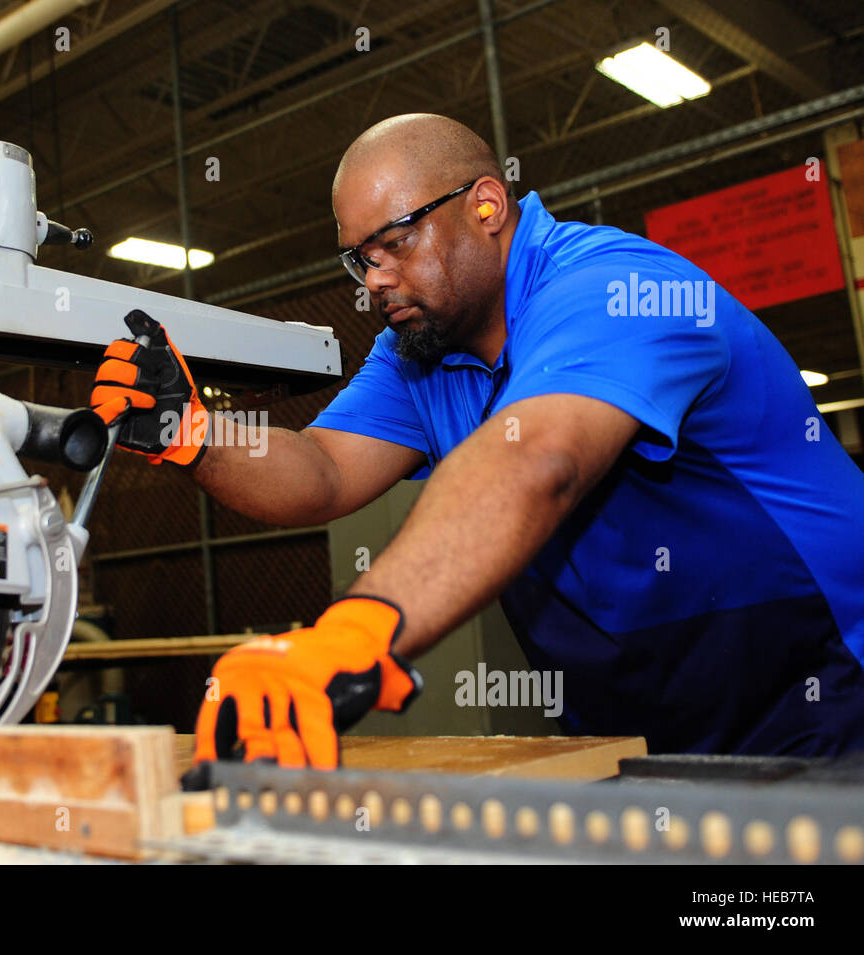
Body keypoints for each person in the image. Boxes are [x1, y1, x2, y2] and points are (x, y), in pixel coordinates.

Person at [90, 113, 864, 771]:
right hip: (645, 733)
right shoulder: (422, 354)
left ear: (487, 205)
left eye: (393, 243)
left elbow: (538, 459)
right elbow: (322, 469)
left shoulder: (611, 289)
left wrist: (359, 629)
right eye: (359, 258)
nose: (374, 281)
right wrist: (191, 432)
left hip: (826, 698)